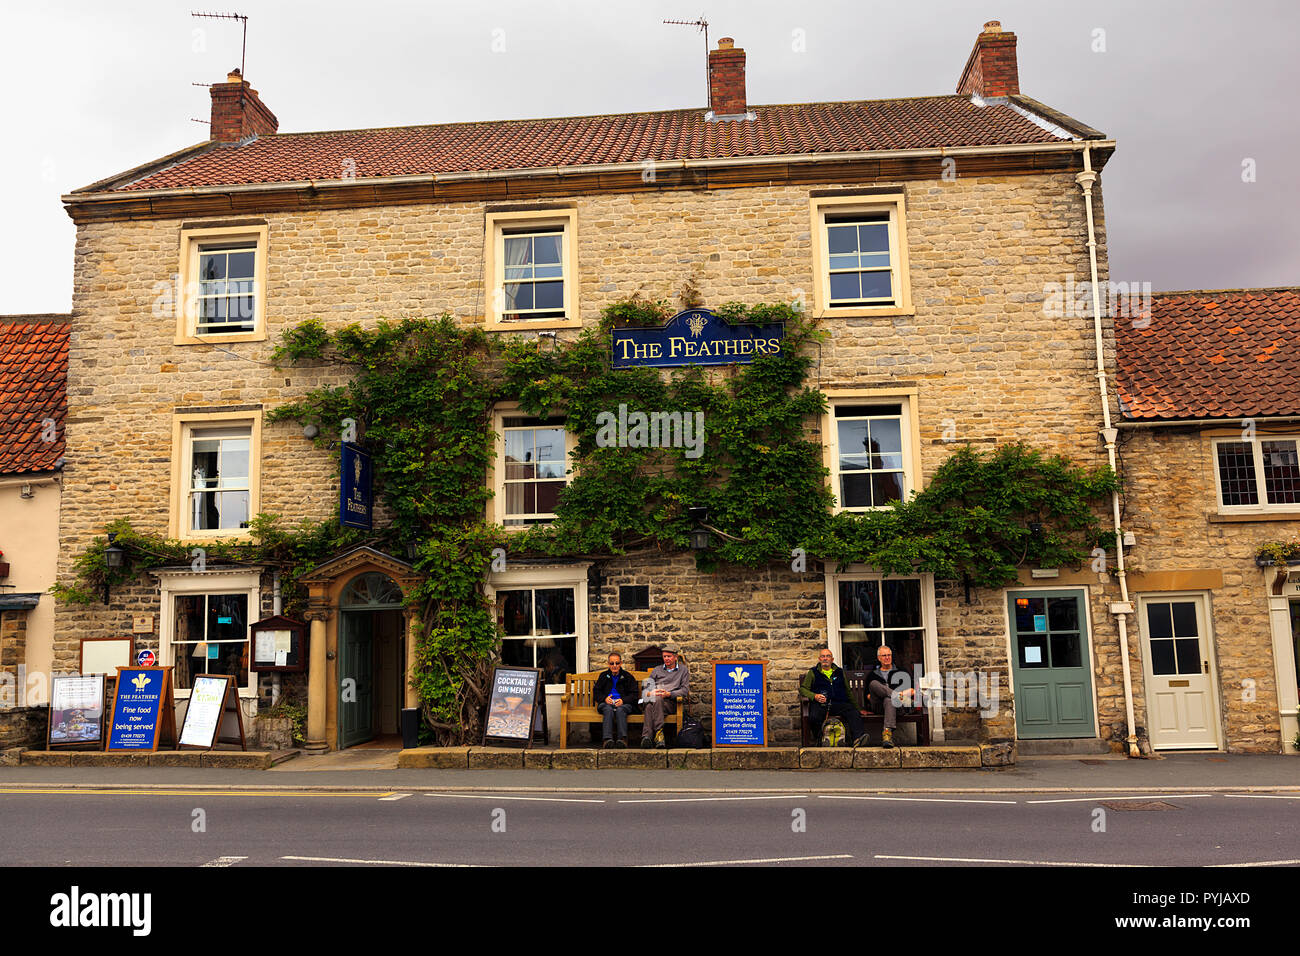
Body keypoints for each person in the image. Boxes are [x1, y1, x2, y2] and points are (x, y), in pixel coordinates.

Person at [799, 647, 868, 747]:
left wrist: (858, 708)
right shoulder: (813, 672)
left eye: (828, 656)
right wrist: (815, 696)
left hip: (839, 703)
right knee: (814, 717)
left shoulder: (840, 672)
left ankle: (858, 739)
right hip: (821, 704)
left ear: (832, 659)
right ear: (819, 659)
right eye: (823, 656)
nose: (825, 658)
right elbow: (803, 689)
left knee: (853, 712)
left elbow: (848, 691)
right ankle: (820, 740)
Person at [640, 642, 689, 748]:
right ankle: (657, 736)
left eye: (669, 656)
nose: (666, 659)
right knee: (652, 701)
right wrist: (651, 692)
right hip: (655, 699)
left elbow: (685, 690)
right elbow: (646, 688)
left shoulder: (683, 670)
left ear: (675, 657)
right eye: (664, 657)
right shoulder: (657, 670)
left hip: (670, 703)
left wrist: (669, 694)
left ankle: (648, 736)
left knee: (649, 707)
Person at [865, 644, 915, 748]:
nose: (887, 657)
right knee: (874, 683)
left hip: (898, 706)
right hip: (878, 706)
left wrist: (892, 696)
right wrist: (896, 694)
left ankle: (887, 734)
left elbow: (912, 690)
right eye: (884, 655)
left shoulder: (902, 671)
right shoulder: (872, 675)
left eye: (889, 655)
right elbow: (868, 696)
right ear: (879, 658)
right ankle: (893, 696)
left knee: (889, 700)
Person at [592, 652, 638, 748]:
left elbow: (634, 694)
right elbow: (596, 692)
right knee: (607, 709)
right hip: (606, 704)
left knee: (621, 709)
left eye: (617, 663)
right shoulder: (603, 676)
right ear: (608, 664)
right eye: (612, 663)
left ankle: (622, 739)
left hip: (624, 704)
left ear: (621, 663)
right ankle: (607, 740)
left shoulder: (627, 676)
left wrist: (623, 700)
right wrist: (605, 699)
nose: (614, 666)